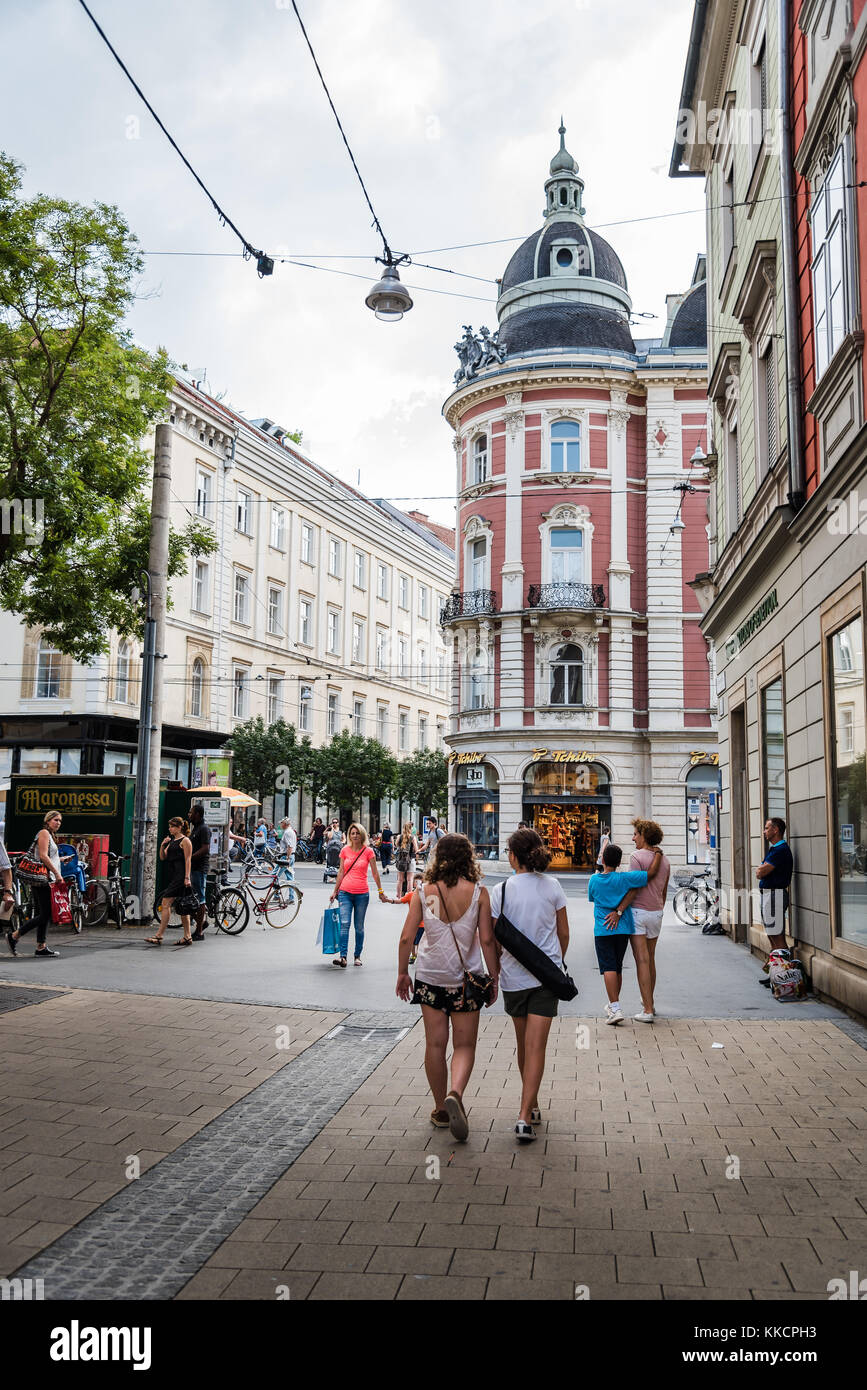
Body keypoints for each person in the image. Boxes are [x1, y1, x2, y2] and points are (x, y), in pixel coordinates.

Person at [396, 833, 499, 1141]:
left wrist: (403, 973)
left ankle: (441, 1108)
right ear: (469, 857)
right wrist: (494, 978)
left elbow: (406, 937)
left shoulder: (425, 891)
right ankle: (456, 1092)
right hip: (466, 981)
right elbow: (487, 940)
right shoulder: (479, 893)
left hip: (430, 977)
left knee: (435, 1045)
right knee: (464, 1046)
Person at [489, 828, 569, 1142]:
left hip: (513, 978)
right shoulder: (553, 886)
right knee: (537, 1048)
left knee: (524, 1046)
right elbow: (563, 933)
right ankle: (527, 1110)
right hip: (546, 977)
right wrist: (555, 962)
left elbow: (494, 938)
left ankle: (527, 1109)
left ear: (513, 855)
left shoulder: (502, 890)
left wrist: (496, 971)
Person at [603, 820, 669, 1022]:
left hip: (639, 912)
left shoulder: (636, 857)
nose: (633, 838)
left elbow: (634, 888)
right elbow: (664, 890)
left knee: (641, 959)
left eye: (635, 834)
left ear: (644, 835)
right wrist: (658, 907)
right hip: (657, 912)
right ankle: (649, 1002)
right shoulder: (664, 860)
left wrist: (620, 910)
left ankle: (647, 1010)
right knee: (651, 958)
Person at [587, 843, 654, 1024]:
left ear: (603, 860)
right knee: (617, 967)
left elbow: (592, 898)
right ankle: (612, 1004)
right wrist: (658, 855)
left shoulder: (594, 880)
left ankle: (615, 1008)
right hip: (623, 928)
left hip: (603, 929)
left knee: (607, 967)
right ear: (619, 862)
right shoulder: (625, 878)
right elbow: (649, 875)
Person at [6, 809, 64, 957]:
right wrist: (57, 873)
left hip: (45, 877)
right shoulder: (44, 833)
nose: (58, 823)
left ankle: (41, 947)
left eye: (60, 821)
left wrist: (62, 860)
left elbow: (44, 856)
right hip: (42, 878)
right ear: (48, 820)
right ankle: (14, 936)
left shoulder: (50, 835)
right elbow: (43, 857)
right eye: (55, 820)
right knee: (46, 914)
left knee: (43, 913)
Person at [329, 822, 385, 968]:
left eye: (357, 833)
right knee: (344, 925)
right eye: (352, 833)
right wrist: (335, 891)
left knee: (359, 927)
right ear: (349, 835)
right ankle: (343, 957)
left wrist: (380, 891)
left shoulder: (368, 852)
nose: (354, 836)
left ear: (362, 835)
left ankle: (357, 956)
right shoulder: (344, 850)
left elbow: (374, 873)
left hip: (362, 894)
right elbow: (341, 871)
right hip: (345, 893)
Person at [756, 818, 794, 986]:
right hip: (769, 895)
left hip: (774, 896)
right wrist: (762, 869)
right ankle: (776, 973)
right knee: (772, 937)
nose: (764, 831)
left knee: (778, 938)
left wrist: (761, 869)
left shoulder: (781, 850)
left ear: (776, 829)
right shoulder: (775, 849)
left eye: (766, 828)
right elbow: (761, 870)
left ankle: (785, 976)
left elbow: (761, 871)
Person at [146, 817, 194, 946]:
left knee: (165, 903)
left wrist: (187, 877)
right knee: (183, 907)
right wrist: (163, 845)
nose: (170, 828)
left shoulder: (185, 841)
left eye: (172, 826)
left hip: (181, 876)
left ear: (179, 827)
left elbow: (188, 860)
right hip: (174, 876)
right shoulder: (173, 841)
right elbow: (163, 857)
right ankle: (187, 936)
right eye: (170, 826)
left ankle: (159, 935)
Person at [188, 803, 211, 941]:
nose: (189, 815)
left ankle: (199, 931)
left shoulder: (204, 829)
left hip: (199, 868)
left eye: (191, 812)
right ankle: (201, 922)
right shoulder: (196, 828)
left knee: (200, 899)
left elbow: (205, 848)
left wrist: (190, 858)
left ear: (197, 814)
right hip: (194, 868)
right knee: (193, 898)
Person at [395, 821, 419, 897]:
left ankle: (399, 896)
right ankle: (408, 897)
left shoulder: (399, 837)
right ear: (410, 829)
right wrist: (417, 859)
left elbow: (396, 846)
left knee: (400, 880)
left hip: (401, 860)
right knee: (410, 879)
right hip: (410, 859)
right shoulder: (412, 837)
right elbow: (416, 850)